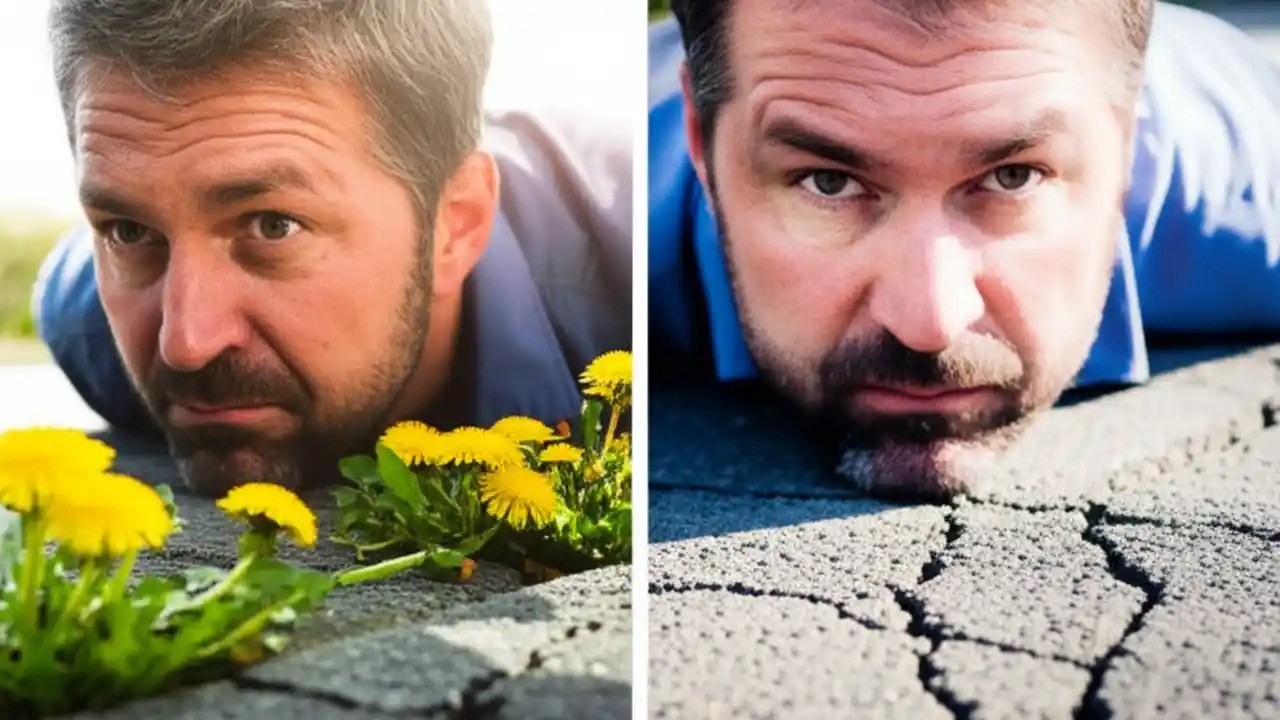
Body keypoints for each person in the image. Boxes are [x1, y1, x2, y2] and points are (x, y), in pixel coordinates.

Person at [649, 0, 1280, 498]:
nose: (930, 324)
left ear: (1124, 149)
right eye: (830, 182)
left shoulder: (1250, 189)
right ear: (703, 146)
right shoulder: (600, 226)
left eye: (1013, 176)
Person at [32, 0, 631, 497]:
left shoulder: (626, 286)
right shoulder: (84, 327)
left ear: (458, 224)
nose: (186, 344)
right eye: (131, 231)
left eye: (272, 226)